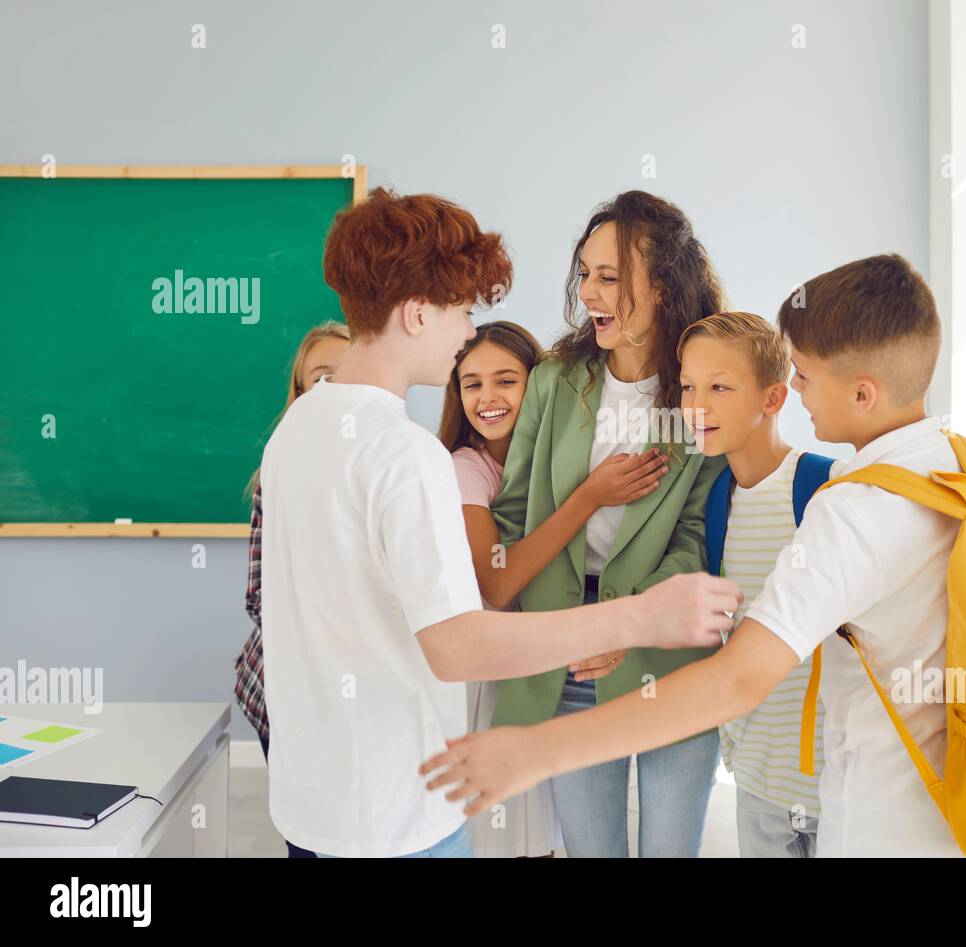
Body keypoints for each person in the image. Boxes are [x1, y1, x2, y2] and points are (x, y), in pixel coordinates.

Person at [424, 254, 966, 858]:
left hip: (869, 805)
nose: (694, 406)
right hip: (810, 781)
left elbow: (738, 677)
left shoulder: (841, 502)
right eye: (687, 387)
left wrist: (539, 750)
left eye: (806, 378)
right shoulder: (952, 461)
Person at [259, 187, 739, 858]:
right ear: (419, 314)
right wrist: (634, 618)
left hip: (311, 806)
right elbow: (458, 646)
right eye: (461, 312)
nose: (466, 333)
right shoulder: (408, 456)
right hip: (398, 815)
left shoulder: (296, 427)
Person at [488, 191, 730, 857]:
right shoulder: (555, 380)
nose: (589, 291)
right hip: (566, 650)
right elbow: (512, 512)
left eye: (610, 276)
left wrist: (636, 622)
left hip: (670, 653)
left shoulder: (701, 391)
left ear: (664, 285)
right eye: (585, 274)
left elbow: (699, 534)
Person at [438, 319, 669, 857]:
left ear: (537, 385)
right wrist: (588, 499)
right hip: (496, 676)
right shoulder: (466, 470)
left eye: (505, 381)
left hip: (542, 668)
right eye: (471, 384)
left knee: (548, 832)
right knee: (505, 834)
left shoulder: (559, 456)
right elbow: (496, 584)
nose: (488, 397)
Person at [677, 310, 828, 857]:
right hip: (759, 787)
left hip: (835, 788)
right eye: (689, 387)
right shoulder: (717, 500)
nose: (698, 405)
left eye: (720, 386)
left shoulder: (822, 487)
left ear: (773, 398)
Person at [233, 319, 349, 858]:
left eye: (343, 376)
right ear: (299, 396)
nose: (330, 390)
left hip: (351, 699)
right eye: (316, 380)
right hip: (281, 692)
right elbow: (259, 599)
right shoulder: (279, 473)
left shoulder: (392, 463)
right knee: (307, 840)